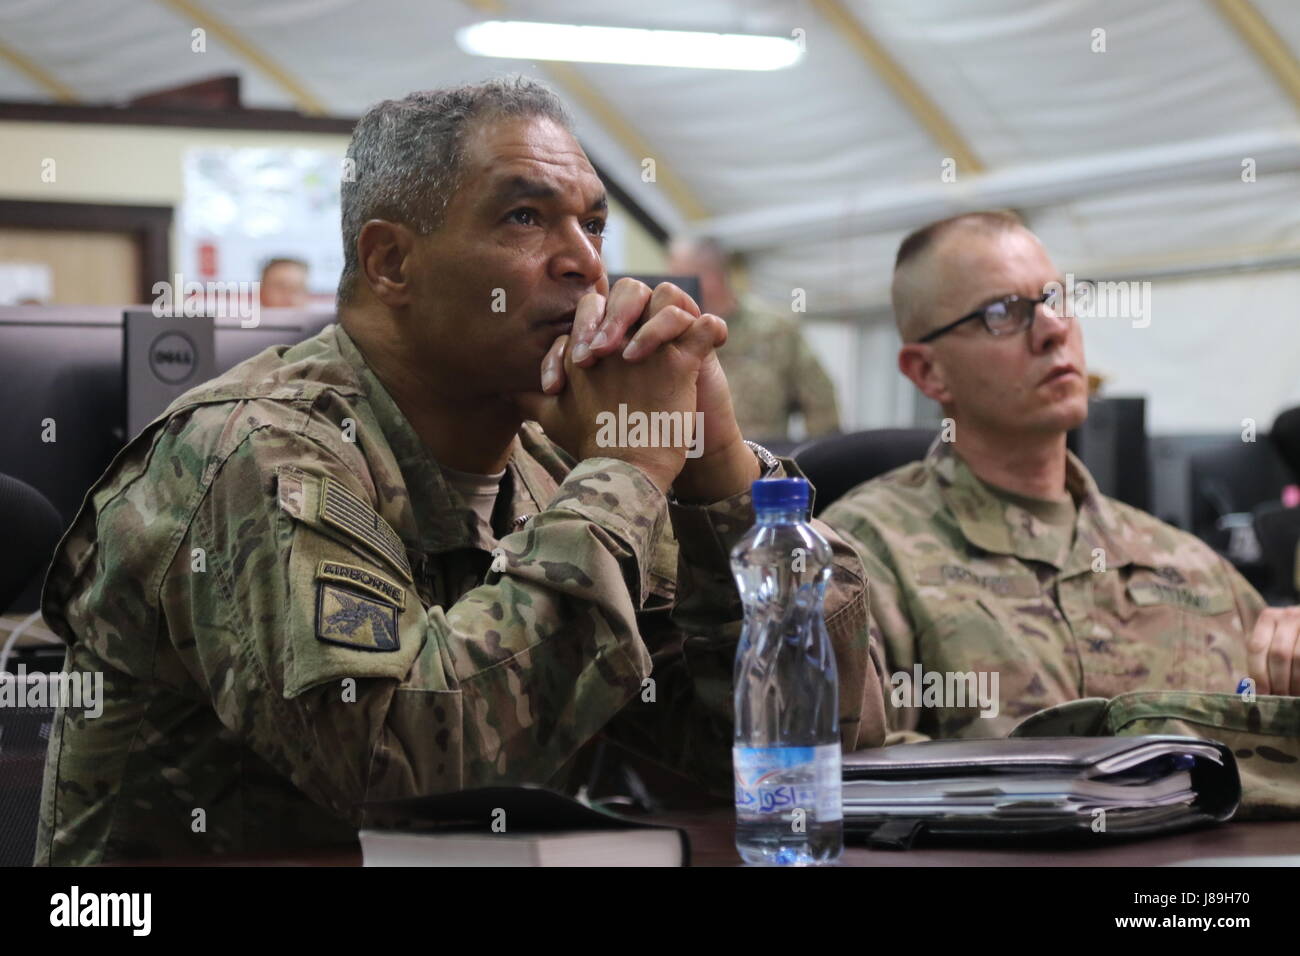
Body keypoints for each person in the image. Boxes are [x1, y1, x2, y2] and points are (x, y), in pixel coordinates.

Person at [35, 77, 885, 865]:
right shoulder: (253, 452)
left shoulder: (558, 464)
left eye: (592, 224)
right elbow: (401, 776)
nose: (585, 262)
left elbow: (820, 743)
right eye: (524, 217)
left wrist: (718, 476)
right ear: (391, 262)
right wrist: (626, 471)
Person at [821, 210, 1300, 744]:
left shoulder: (1189, 566)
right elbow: (841, 766)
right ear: (927, 371)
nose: (1052, 328)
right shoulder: (863, 560)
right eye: (1001, 312)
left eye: (1055, 299)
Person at [667, 238, 840, 443]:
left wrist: (811, 464)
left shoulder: (776, 329)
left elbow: (821, 403)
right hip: (690, 464)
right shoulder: (672, 332)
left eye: (678, 278)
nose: (673, 289)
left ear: (710, 277)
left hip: (759, 465)